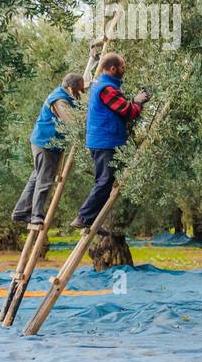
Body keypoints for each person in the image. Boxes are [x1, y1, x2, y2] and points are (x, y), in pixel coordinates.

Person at [71, 53, 150, 230]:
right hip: (105, 141)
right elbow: (128, 111)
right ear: (113, 68)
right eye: (122, 66)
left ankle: (89, 219)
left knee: (105, 182)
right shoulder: (106, 89)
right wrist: (137, 102)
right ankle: (83, 217)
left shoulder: (104, 85)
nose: (125, 69)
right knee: (104, 181)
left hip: (105, 140)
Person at [12, 73, 85, 227]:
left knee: (37, 177)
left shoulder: (67, 92)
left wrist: (94, 59)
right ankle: (36, 216)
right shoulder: (59, 100)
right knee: (44, 180)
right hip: (46, 144)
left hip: (48, 143)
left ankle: (20, 212)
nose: (81, 93)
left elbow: (86, 82)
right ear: (71, 89)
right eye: (79, 90)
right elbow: (70, 122)